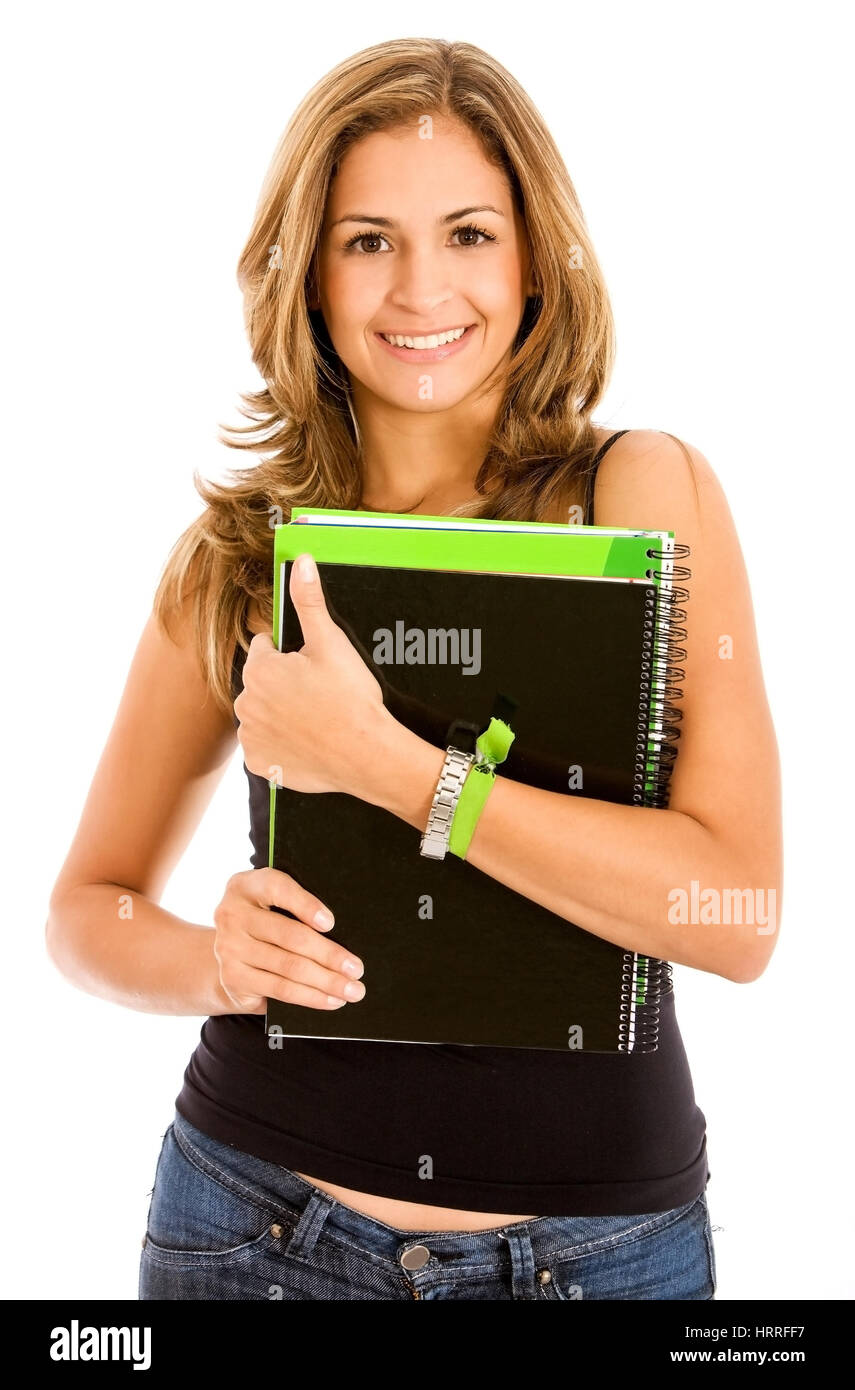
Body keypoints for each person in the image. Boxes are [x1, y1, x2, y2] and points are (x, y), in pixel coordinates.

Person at [46, 37, 782, 1301]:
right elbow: (85, 910)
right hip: (254, 1228)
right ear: (310, 273)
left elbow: (740, 917)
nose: (420, 288)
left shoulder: (639, 498)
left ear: (537, 257)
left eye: (470, 234)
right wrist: (212, 964)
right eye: (368, 239)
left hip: (596, 1257)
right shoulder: (237, 555)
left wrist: (393, 768)